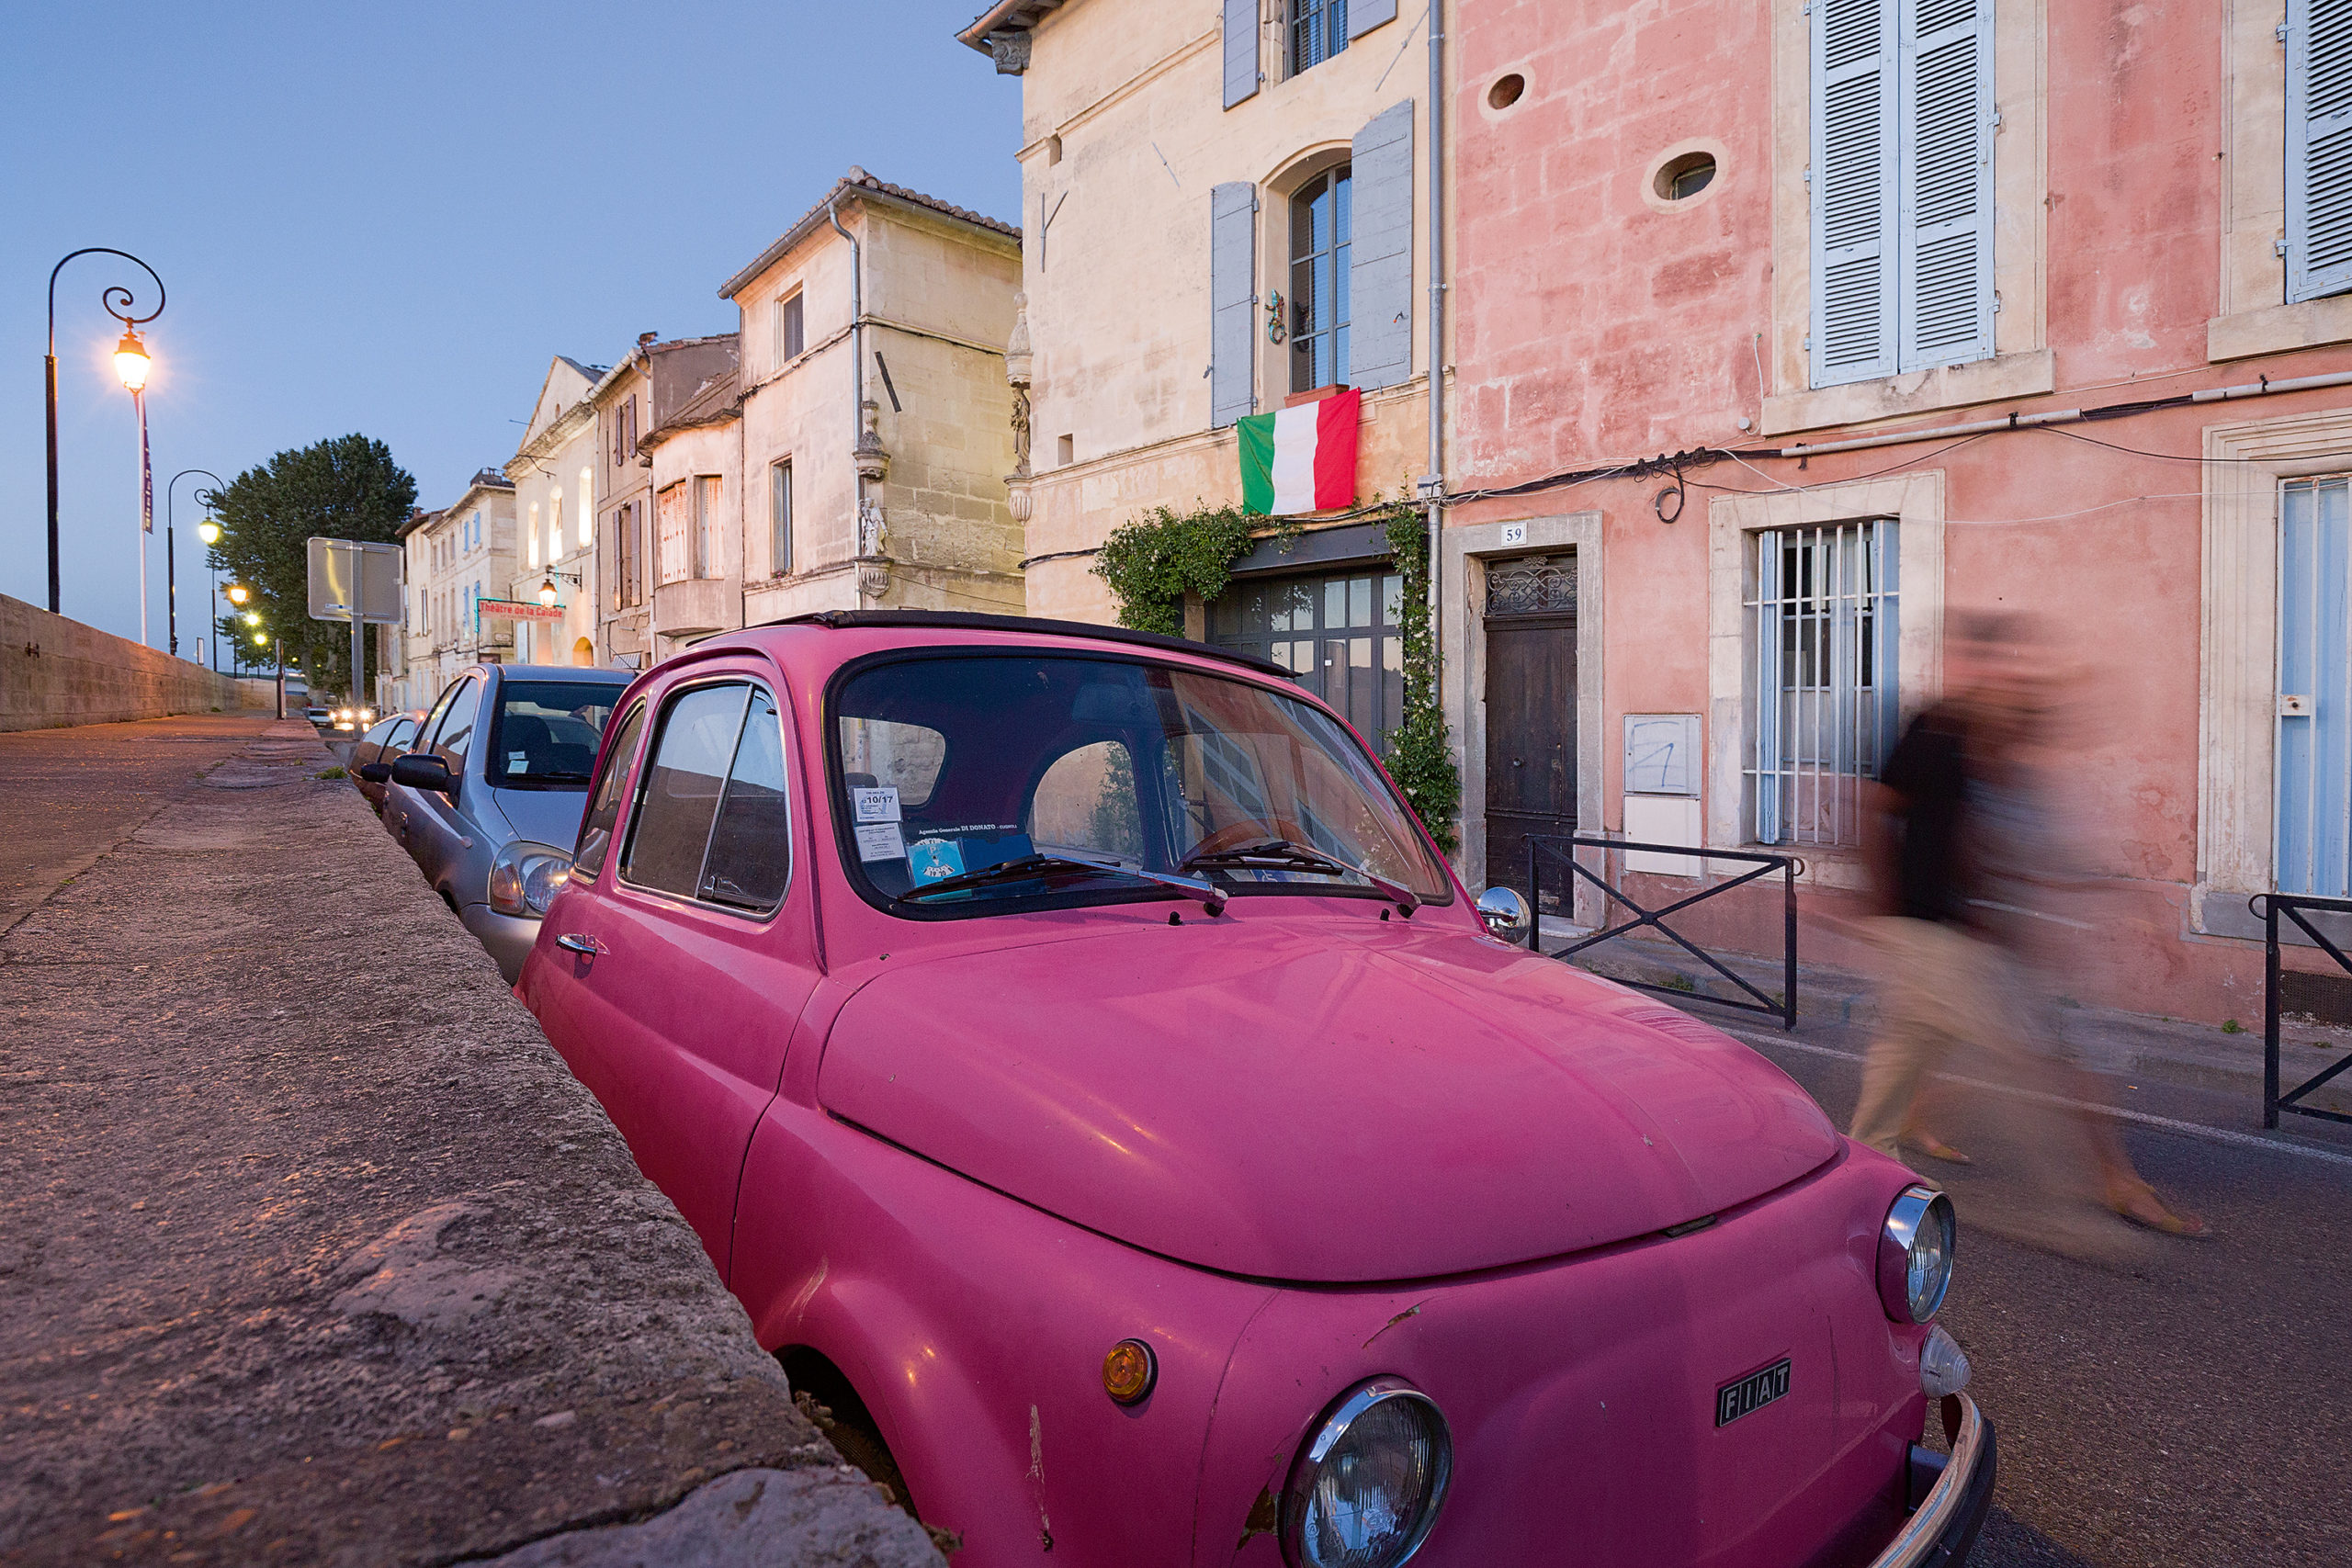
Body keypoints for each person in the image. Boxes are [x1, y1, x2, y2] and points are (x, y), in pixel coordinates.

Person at [1850, 613, 2207, 1238]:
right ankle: (2100, 1198)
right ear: (1974, 663)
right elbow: (1880, 810)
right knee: (2038, 1054)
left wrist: (2097, 899)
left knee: (1911, 1047)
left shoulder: (1998, 758)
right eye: (2003, 666)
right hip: (1936, 938)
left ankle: (1872, 1164)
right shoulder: (1934, 729)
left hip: (1959, 939)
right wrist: (1879, 904)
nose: (2016, 684)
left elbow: (2003, 858)